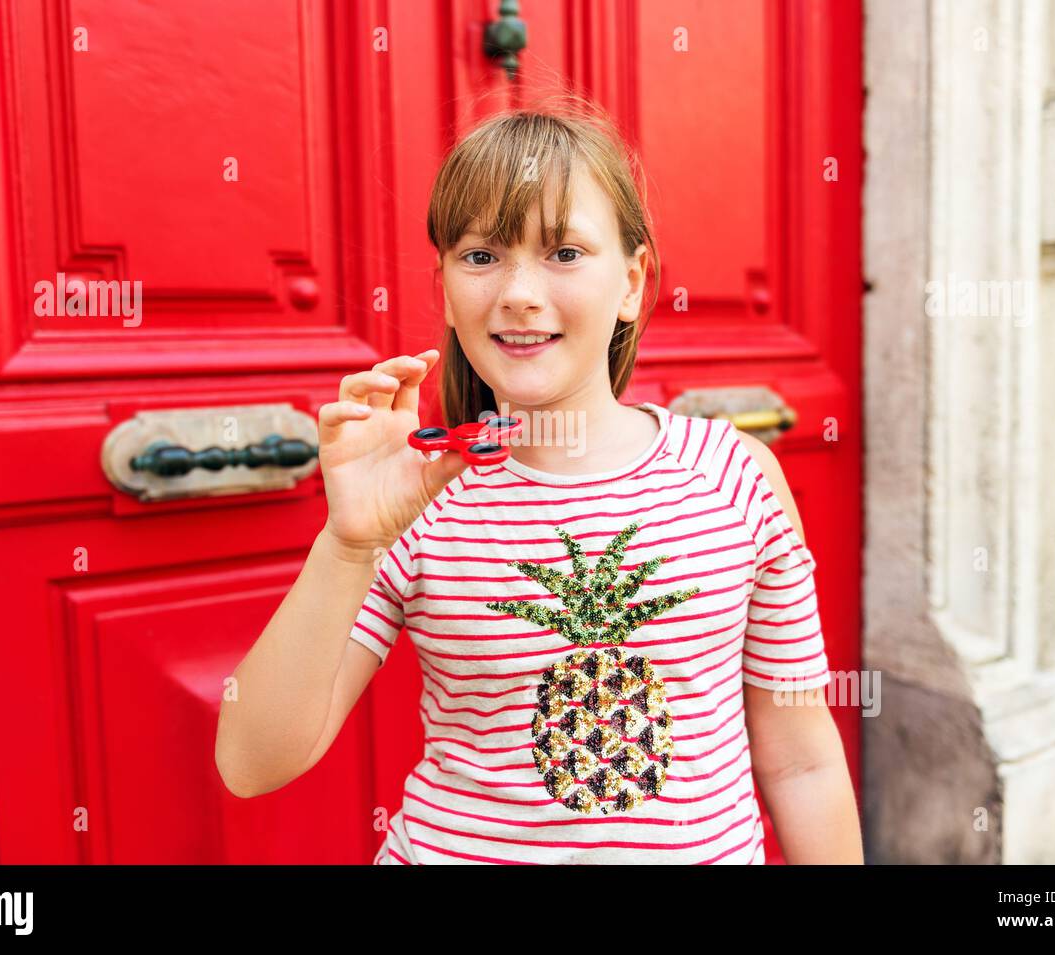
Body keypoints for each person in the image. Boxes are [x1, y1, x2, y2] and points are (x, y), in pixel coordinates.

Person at [215, 101, 862, 865]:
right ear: (448, 291)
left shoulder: (735, 479)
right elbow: (252, 762)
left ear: (632, 280)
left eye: (563, 252)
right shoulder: (416, 499)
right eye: (482, 256)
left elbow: (802, 759)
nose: (518, 291)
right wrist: (347, 543)